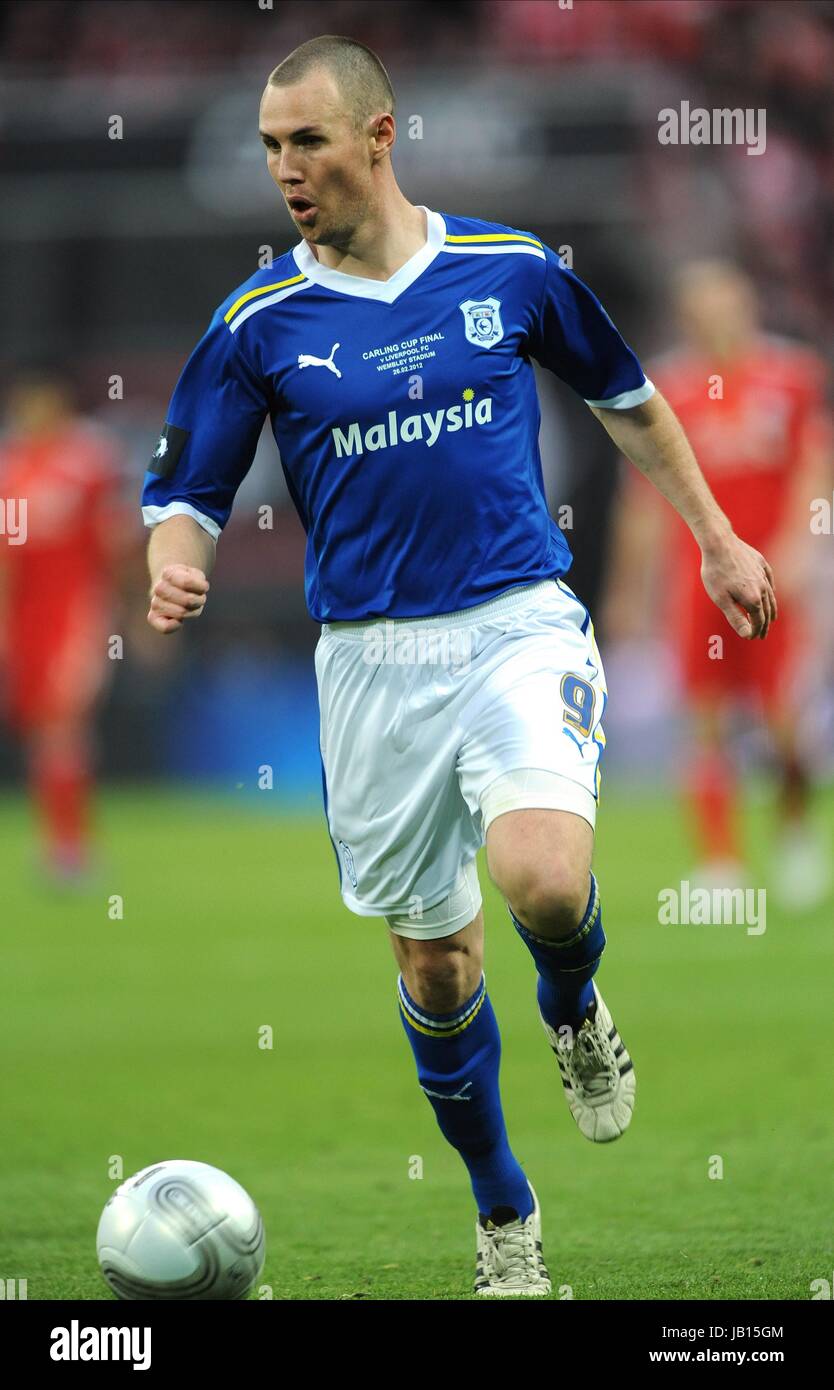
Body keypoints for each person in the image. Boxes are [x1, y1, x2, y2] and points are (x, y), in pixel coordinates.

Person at [141, 37, 776, 1296]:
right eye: (270, 148)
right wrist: (175, 557)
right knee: (435, 967)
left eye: (306, 140)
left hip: (516, 623)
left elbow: (631, 400)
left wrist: (715, 538)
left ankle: (575, 1008)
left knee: (544, 880)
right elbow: (185, 486)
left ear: (380, 135)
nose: (286, 168)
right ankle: (504, 1215)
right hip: (372, 666)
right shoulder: (258, 322)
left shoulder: (509, 270)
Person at [603, 261, 830, 907]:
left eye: (724, 302)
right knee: (701, 724)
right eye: (701, 306)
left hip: (774, 580)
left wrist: (798, 543)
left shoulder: (791, 377)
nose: (714, 316)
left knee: (786, 725)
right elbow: (642, 501)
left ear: (747, 303)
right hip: (700, 585)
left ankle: (793, 829)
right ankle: (722, 863)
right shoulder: (667, 388)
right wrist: (628, 587)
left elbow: (815, 466)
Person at [0, 366, 125, 882]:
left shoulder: (88, 464)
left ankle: (70, 848)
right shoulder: (11, 469)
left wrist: (117, 617)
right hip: (23, 621)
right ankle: (59, 840)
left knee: (63, 728)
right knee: (42, 732)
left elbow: (111, 545)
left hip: (74, 616)